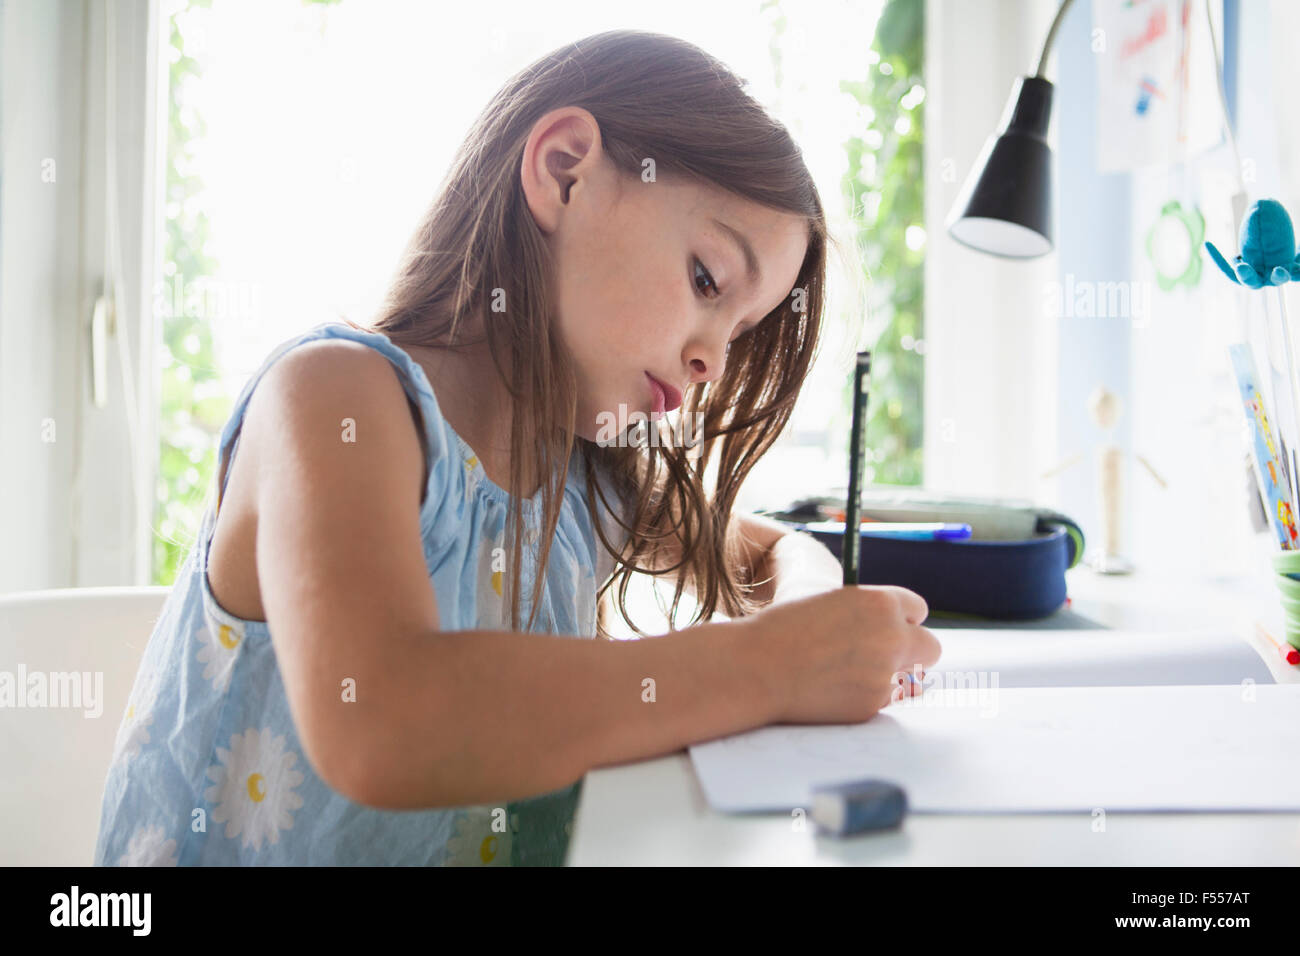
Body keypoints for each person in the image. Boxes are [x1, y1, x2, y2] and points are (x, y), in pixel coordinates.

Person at [93, 29, 938, 867]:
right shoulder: (334, 405)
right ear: (564, 169)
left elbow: (771, 552)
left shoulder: (582, 470)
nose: (714, 360)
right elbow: (383, 719)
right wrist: (768, 666)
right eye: (708, 281)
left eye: (742, 330)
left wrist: (809, 622)